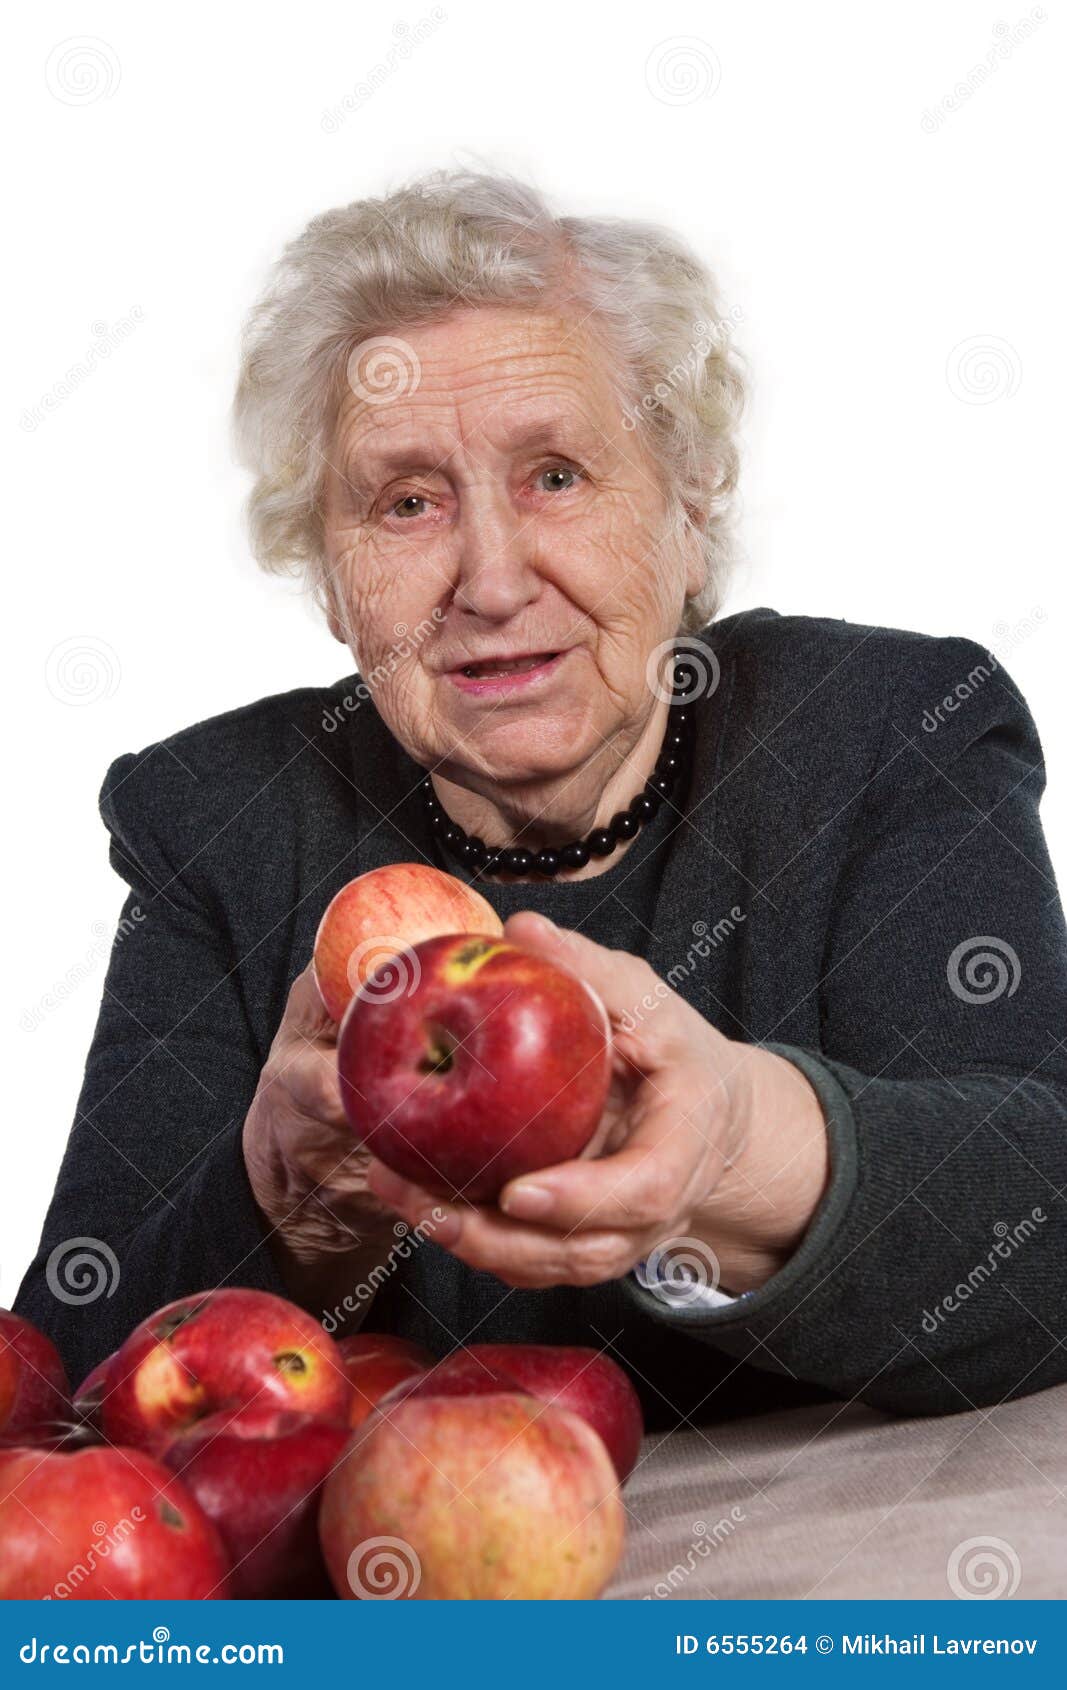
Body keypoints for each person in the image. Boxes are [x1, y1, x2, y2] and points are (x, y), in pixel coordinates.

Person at [17, 170, 1067, 1426]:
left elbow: (1039, 1220)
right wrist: (287, 1212)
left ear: (685, 514)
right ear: (332, 583)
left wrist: (731, 1147)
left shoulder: (887, 729)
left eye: (556, 475)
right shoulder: (218, 819)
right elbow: (61, 1391)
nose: (492, 579)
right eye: (406, 502)